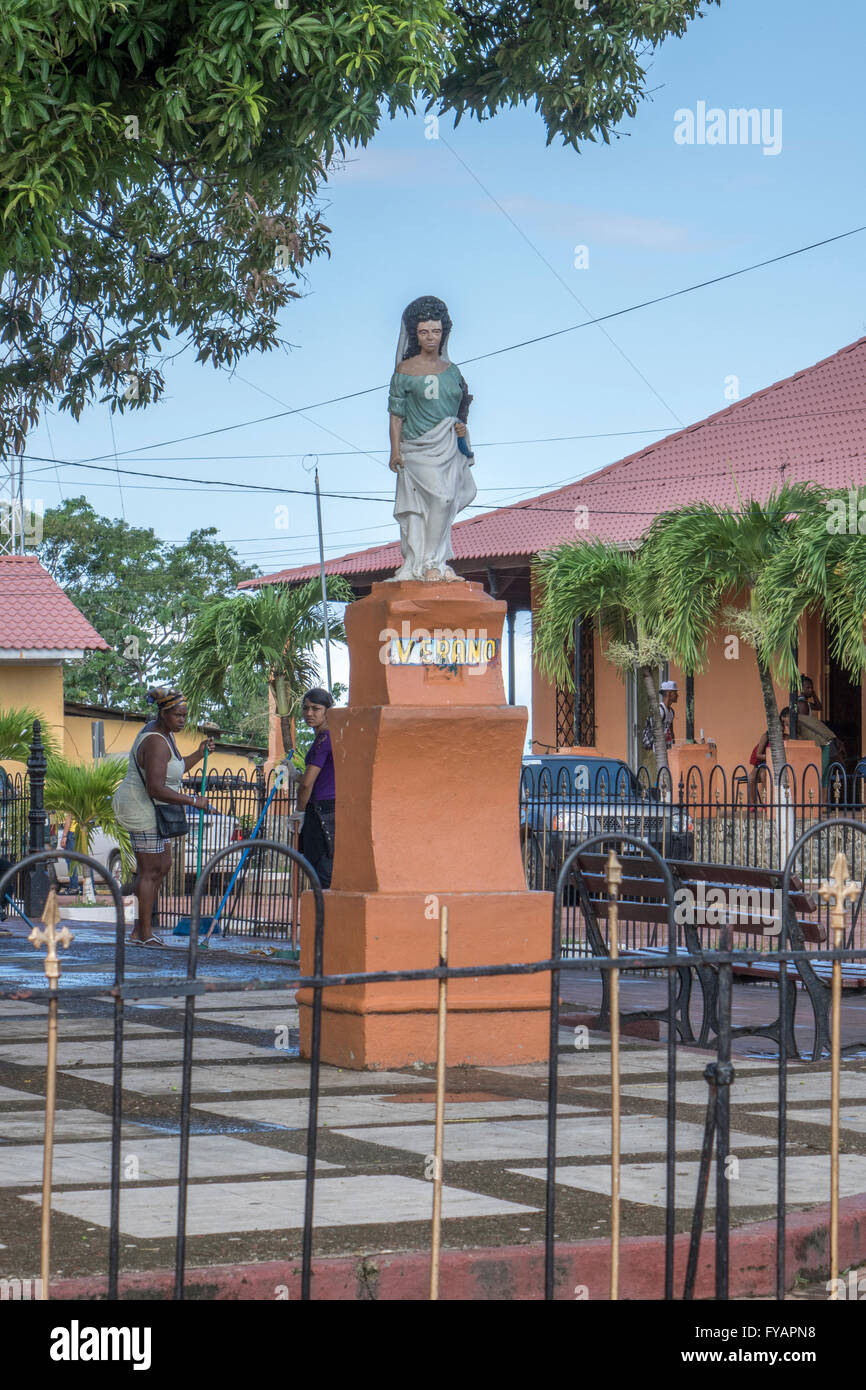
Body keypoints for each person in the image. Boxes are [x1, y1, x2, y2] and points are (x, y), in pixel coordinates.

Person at [113, 687, 214, 946]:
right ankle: (143, 933)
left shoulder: (166, 734)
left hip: (153, 808)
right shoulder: (156, 741)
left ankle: (140, 929)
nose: (182, 720)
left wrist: (200, 753)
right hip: (141, 807)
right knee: (150, 870)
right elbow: (156, 787)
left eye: (184, 715)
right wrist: (194, 801)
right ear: (163, 713)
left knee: (162, 865)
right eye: (177, 715)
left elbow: (174, 772)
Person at [387, 294, 477, 582]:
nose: (430, 338)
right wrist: (394, 451)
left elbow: (459, 408)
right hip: (416, 447)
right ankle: (426, 562)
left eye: (436, 331)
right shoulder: (403, 371)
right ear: (415, 333)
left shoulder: (453, 372)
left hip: (450, 446)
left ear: (444, 332)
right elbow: (396, 416)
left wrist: (463, 428)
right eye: (424, 332)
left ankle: (436, 561)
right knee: (441, 498)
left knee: (448, 501)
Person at [295, 688, 335, 890]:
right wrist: (295, 775)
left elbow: (307, 784)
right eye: (306, 708)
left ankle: (325, 919)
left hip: (322, 813)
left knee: (321, 874)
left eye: (316, 709)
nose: (309, 713)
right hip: (322, 810)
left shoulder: (325, 739)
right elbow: (312, 779)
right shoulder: (320, 739)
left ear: (328, 711)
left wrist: (298, 812)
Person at [659, 680, 678, 748]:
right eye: (675, 693)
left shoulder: (671, 711)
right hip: (659, 751)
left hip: (668, 748)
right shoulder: (660, 710)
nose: (677, 695)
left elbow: (671, 731)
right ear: (669, 694)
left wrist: (673, 746)